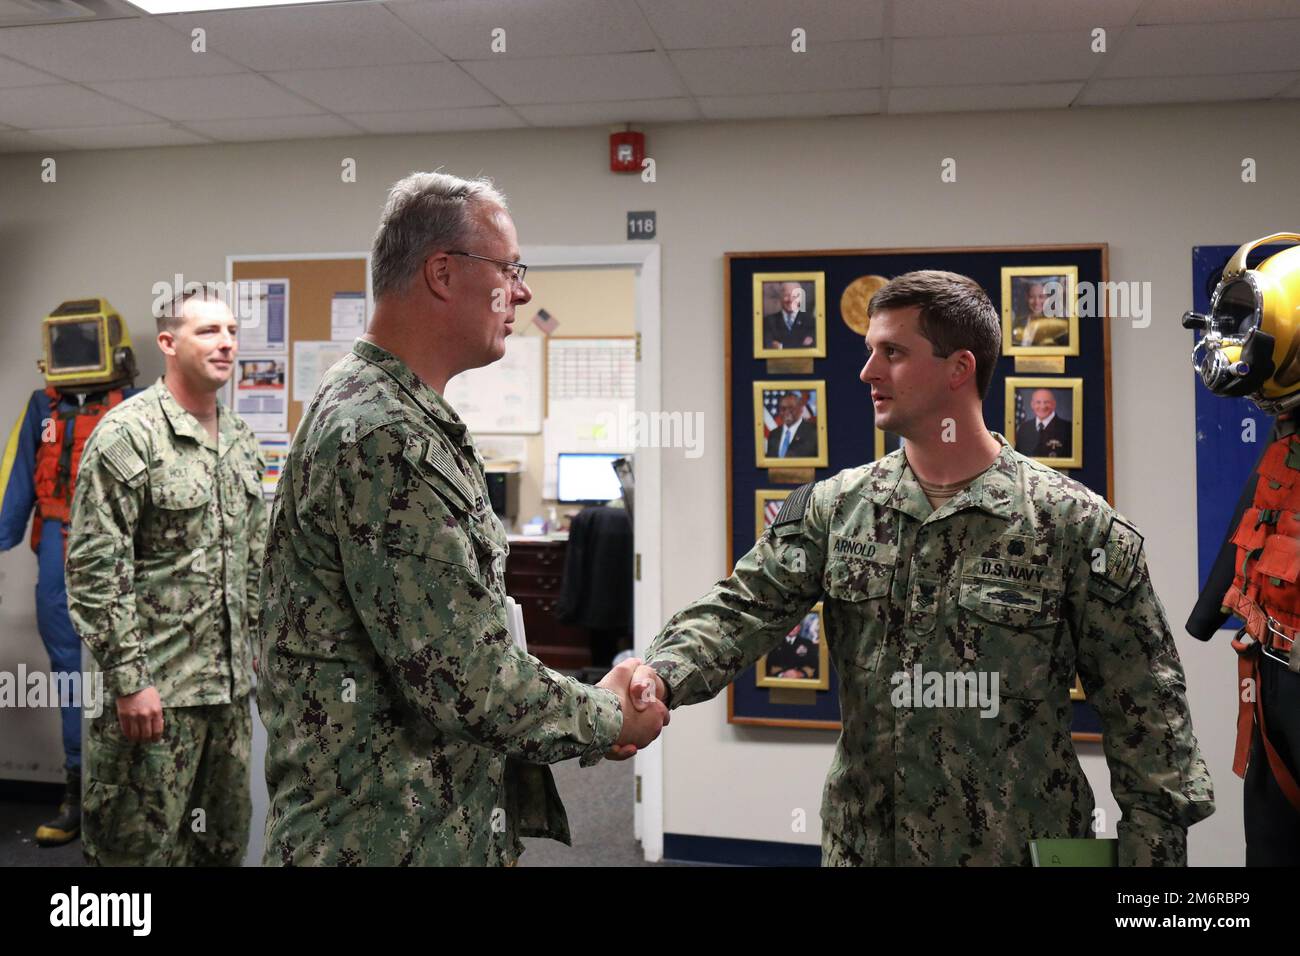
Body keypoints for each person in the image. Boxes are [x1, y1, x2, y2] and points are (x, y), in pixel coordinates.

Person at [629, 269, 1214, 866]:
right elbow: (742, 607)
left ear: (959, 367)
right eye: (870, 352)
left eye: (893, 353)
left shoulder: (1070, 524)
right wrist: (661, 674)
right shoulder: (838, 510)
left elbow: (1148, 714)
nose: (868, 372)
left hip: (1016, 849)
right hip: (868, 847)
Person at [256, 171, 668, 867]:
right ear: (443, 273)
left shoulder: (395, 411)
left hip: (425, 824)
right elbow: (467, 681)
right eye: (510, 269)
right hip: (381, 839)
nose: (524, 291)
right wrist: (607, 715)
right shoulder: (382, 434)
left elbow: (460, 641)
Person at [66, 289, 267, 866]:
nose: (226, 342)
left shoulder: (241, 442)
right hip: (154, 698)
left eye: (231, 330)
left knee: (218, 847)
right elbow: (95, 570)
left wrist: (256, 649)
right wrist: (129, 681)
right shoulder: (127, 434)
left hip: (227, 697)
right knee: (137, 854)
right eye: (208, 331)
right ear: (168, 343)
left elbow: (253, 560)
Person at [0, 298, 140, 847]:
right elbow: (14, 488)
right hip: (59, 552)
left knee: (131, 670)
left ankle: (131, 798)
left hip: (126, 553)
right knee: (70, 676)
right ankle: (77, 792)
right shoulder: (41, 408)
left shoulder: (139, 406)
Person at [1014, 388, 1072, 458]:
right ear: (1032, 405)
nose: (1042, 406)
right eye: (1038, 402)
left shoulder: (1068, 428)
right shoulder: (1024, 428)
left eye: (1046, 402)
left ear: (1054, 404)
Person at [1010, 280, 1069, 347]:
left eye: (1041, 297)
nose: (1036, 302)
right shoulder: (1017, 323)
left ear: (1047, 298)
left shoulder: (1059, 322)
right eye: (1032, 297)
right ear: (1027, 298)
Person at [763, 282, 816, 349]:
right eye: (786, 295)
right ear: (780, 298)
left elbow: (812, 347)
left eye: (794, 296)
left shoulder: (811, 321)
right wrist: (800, 344)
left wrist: (781, 346)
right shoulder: (768, 321)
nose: (790, 300)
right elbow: (768, 346)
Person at [765, 391, 818, 459]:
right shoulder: (773, 434)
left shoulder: (813, 433)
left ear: (801, 409)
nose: (786, 412)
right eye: (783, 409)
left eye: (791, 408)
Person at [766, 614, 819, 679]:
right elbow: (768, 666)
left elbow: (814, 666)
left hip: (802, 682)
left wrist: (801, 674)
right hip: (778, 682)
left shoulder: (808, 644)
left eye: (795, 625)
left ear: (799, 628)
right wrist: (781, 674)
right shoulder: (775, 643)